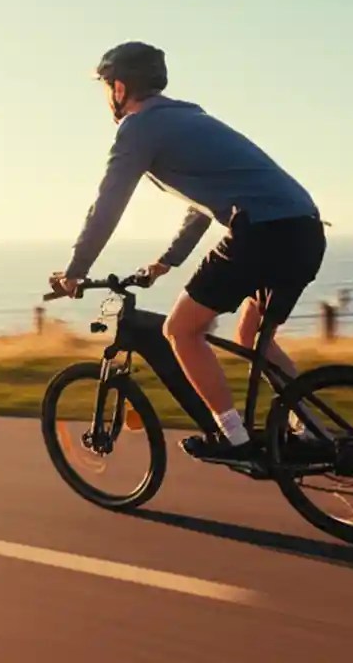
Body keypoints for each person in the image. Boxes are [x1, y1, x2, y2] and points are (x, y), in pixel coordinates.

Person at [50, 42, 326, 462]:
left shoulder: (139, 128)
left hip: (263, 232)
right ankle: (316, 433)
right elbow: (203, 209)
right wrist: (166, 262)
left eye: (107, 87)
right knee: (253, 337)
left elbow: (107, 205)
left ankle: (233, 439)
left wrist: (75, 270)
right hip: (303, 229)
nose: (106, 97)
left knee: (180, 330)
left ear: (120, 87)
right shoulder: (188, 118)